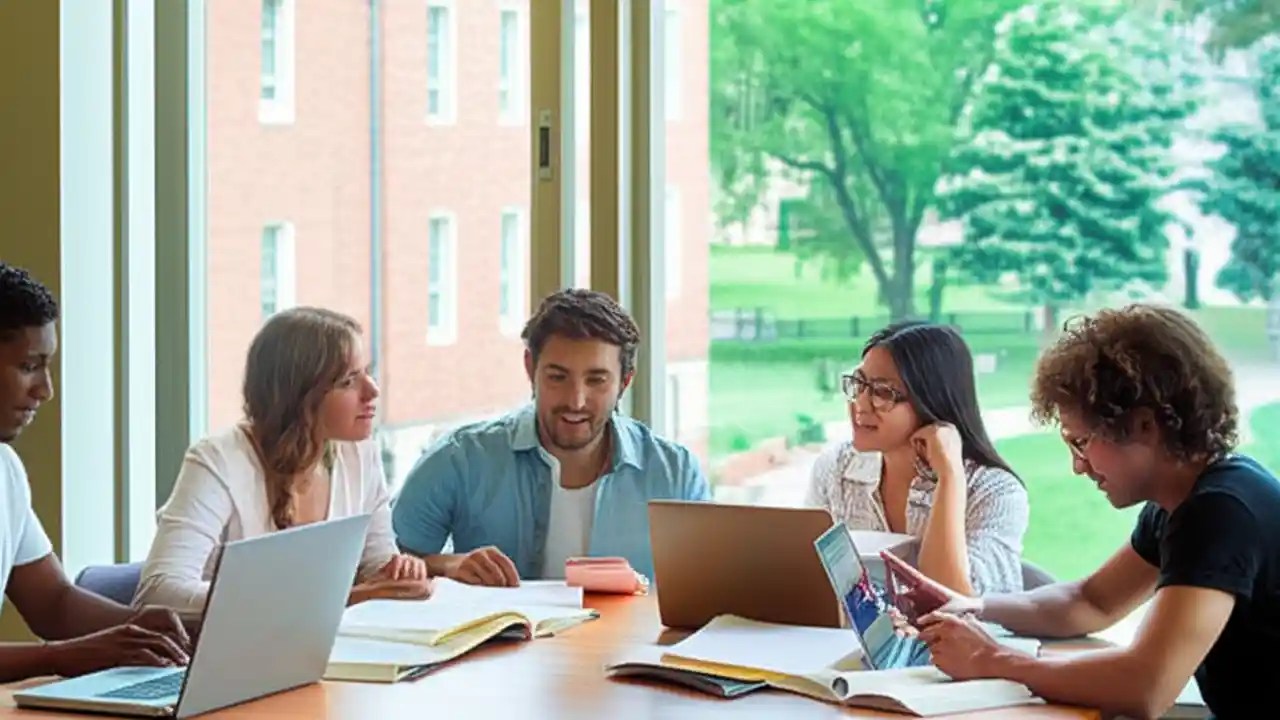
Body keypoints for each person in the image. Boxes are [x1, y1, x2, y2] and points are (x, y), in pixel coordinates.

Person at [907, 304, 1279, 720]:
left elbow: (1146, 687)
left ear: (1144, 426)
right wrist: (971, 605)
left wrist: (994, 660)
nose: (1077, 466)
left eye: (1081, 442)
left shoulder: (1220, 513)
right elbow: (1089, 601)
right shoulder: (1185, 502)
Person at [392, 288, 710, 586]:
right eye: (558, 377)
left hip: (630, 645)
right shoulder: (461, 458)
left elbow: (709, 587)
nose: (576, 401)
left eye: (596, 380)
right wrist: (449, 567)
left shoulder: (675, 474)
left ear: (625, 381)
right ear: (531, 369)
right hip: (503, 645)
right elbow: (384, 563)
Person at [136, 307, 430, 613]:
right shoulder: (218, 461)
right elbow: (159, 593)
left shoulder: (359, 454)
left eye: (367, 372)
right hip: (231, 652)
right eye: (348, 381)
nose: (372, 391)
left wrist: (400, 576)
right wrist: (338, 600)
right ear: (300, 398)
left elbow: (377, 568)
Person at [0, 262, 191, 681]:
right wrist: (56, 657)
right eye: (29, 366)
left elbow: (53, 602)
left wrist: (144, 626)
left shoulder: (5, 471)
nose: (45, 390)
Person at [805, 321, 1028, 595]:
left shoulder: (995, 491)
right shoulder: (836, 469)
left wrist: (950, 477)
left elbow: (955, 602)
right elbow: (809, 577)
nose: (860, 404)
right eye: (859, 384)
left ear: (931, 400)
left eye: (882, 392)